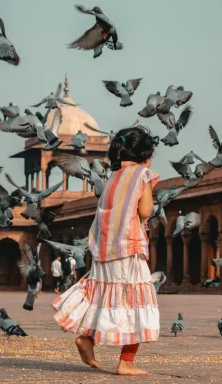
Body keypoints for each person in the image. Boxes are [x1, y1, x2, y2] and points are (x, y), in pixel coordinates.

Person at [52, 126, 160, 376]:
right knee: (135, 303)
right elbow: (144, 211)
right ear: (146, 154)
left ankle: (87, 340)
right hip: (128, 250)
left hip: (104, 250)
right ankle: (126, 362)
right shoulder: (143, 175)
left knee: (106, 300)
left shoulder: (113, 178)